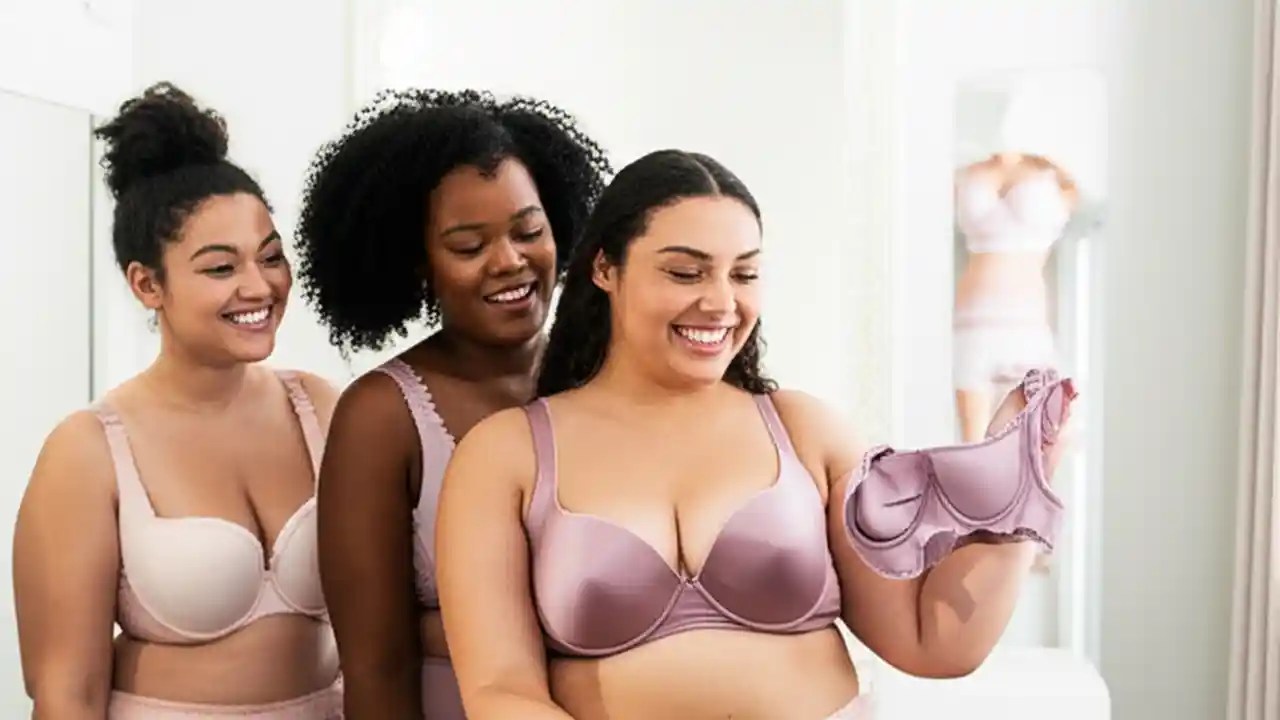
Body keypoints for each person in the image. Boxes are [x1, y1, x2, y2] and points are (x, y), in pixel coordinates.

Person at [435, 149, 1076, 719]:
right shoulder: (507, 455)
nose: (721, 303)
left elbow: (932, 641)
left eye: (743, 274)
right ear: (606, 268)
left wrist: (1020, 483)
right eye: (686, 273)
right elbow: (500, 690)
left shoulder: (805, 433)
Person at [13, 83, 342, 718]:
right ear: (147, 284)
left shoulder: (320, 408)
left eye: (271, 257)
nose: (259, 286)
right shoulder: (89, 450)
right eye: (221, 268)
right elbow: (65, 692)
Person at [296, 88, 610, 719]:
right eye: (469, 247)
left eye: (529, 231)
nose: (510, 261)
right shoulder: (382, 417)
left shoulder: (609, 377)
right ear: (419, 266)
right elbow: (376, 672)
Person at [952, 151, 1079, 441]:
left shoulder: (1056, 172)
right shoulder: (970, 168)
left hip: (1026, 325)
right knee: (973, 444)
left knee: (1038, 439)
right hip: (971, 325)